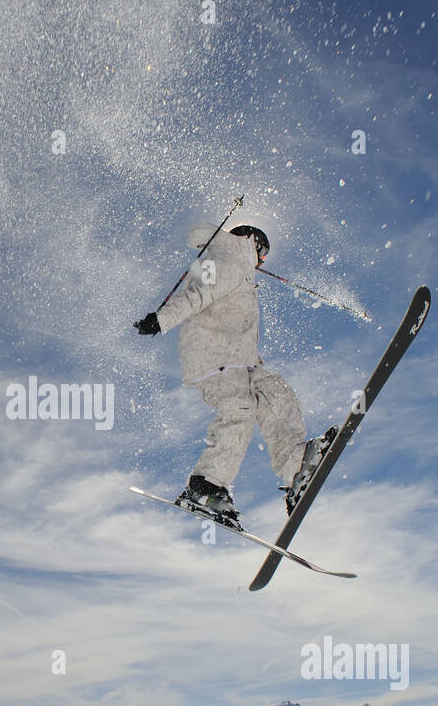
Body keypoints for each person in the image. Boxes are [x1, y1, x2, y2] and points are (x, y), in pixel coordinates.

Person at [135, 220, 336, 527]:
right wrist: (161, 320)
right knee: (239, 410)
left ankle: (296, 465)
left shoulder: (236, 265)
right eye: (263, 251)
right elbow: (197, 295)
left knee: (273, 391)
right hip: (213, 356)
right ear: (251, 240)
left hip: (238, 358)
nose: (263, 260)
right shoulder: (230, 259)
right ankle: (205, 486)